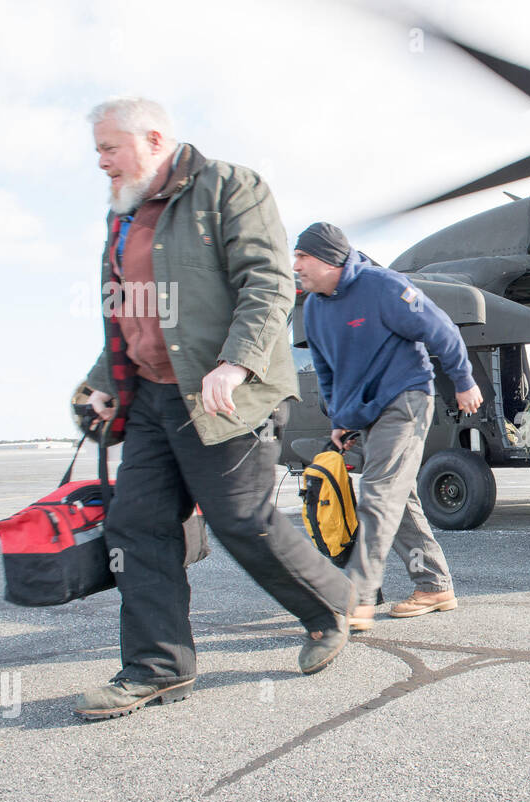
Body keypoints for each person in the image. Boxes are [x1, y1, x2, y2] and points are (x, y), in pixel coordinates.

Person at [76, 97, 355, 721]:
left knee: (239, 519)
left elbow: (270, 280)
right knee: (137, 525)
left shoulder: (230, 187)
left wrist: (236, 361)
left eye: (109, 148)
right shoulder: (121, 217)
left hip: (225, 392)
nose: (101, 163)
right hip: (151, 396)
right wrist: (101, 383)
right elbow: (120, 312)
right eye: (96, 150)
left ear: (152, 139)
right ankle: (158, 668)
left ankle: (328, 605)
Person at [293, 223, 482, 629]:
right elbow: (326, 371)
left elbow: (441, 329)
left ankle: (357, 597)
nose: (296, 266)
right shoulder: (313, 307)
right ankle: (434, 585)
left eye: (302, 257)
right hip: (365, 414)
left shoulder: (382, 287)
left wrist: (464, 381)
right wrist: (340, 418)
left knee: (378, 494)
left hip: (406, 400)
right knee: (399, 496)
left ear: (329, 259)